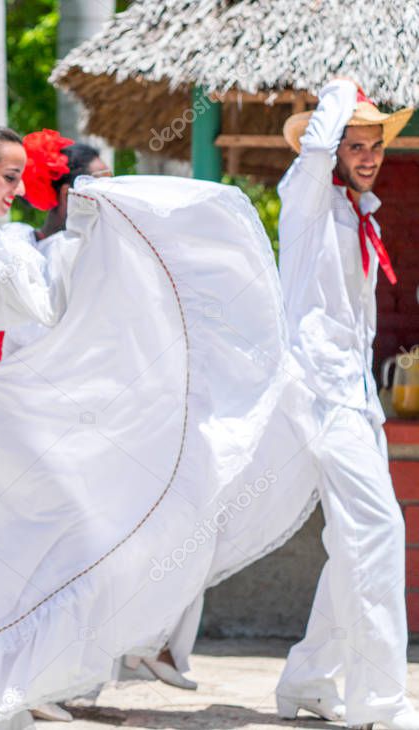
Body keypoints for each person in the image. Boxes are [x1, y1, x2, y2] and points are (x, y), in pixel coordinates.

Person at [0, 121, 322, 728]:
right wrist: (92, 236)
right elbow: (50, 308)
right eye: (7, 177)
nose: (17, 189)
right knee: (71, 529)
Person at [276, 77, 418, 730]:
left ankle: (307, 679)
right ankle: (383, 701)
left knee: (354, 539)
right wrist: (339, 91)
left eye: (373, 146)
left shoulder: (360, 213)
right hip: (316, 395)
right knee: (378, 534)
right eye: (352, 145)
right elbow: (313, 156)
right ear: (329, 147)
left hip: (352, 397)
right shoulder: (304, 198)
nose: (365, 156)